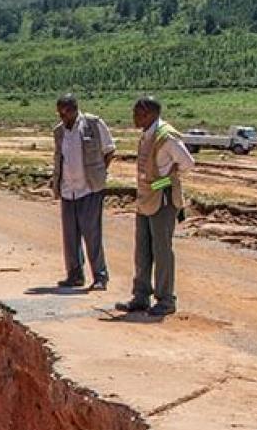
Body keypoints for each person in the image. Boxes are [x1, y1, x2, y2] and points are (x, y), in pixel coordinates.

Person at [119, 96, 193, 316]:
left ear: (149, 114)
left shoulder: (166, 136)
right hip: (145, 198)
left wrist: (162, 182)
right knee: (142, 249)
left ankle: (165, 299)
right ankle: (141, 296)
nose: (134, 117)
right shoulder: (146, 135)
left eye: (137, 113)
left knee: (162, 251)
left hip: (162, 201)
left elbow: (188, 163)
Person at [50, 94, 117, 290]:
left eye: (66, 111)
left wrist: (99, 173)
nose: (63, 116)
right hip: (67, 190)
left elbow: (109, 150)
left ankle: (100, 276)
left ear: (75, 108)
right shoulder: (59, 132)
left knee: (92, 233)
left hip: (89, 189)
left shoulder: (93, 124)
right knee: (70, 236)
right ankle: (75, 275)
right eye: (60, 112)